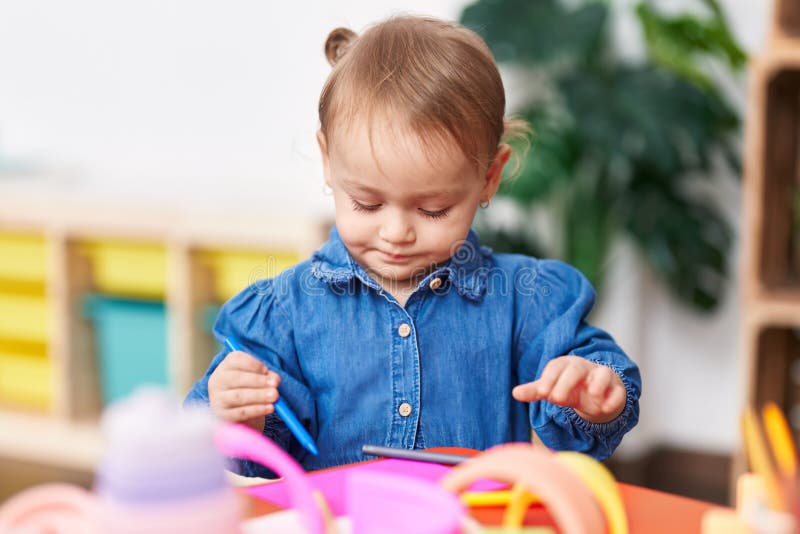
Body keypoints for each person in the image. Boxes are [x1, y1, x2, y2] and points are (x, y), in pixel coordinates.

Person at [185, 15, 640, 477]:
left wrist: (593, 393)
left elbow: (599, 380)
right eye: (366, 203)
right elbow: (232, 443)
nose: (396, 233)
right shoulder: (285, 312)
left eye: (433, 210)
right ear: (328, 161)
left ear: (489, 177)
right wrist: (237, 413)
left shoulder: (521, 298)